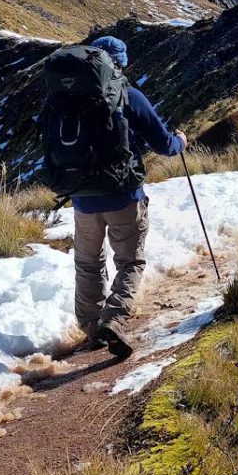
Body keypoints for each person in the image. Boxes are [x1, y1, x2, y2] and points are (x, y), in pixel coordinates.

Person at [72, 35, 186, 358]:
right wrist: (181, 141)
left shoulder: (72, 100)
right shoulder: (129, 97)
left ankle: (92, 328)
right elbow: (163, 144)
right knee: (130, 261)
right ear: (120, 64)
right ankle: (115, 319)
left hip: (83, 200)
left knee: (88, 263)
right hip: (124, 197)